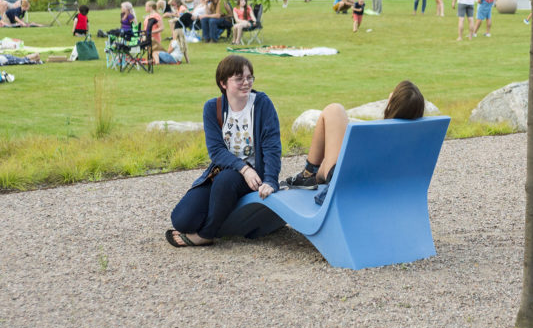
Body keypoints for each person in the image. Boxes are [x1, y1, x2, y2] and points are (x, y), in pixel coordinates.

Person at [165, 55, 280, 247]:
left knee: (226, 181)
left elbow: (272, 146)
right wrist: (243, 168)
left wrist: (270, 180)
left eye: (249, 77)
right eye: (239, 78)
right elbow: (216, 150)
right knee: (182, 220)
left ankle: (206, 235)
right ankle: (222, 215)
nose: (246, 83)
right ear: (223, 83)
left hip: (253, 175)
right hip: (226, 171)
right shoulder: (213, 108)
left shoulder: (261, 104)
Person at [282, 80, 428, 189]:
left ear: (391, 104)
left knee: (334, 110)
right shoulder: (419, 137)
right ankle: (312, 176)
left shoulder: (377, 133)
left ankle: (308, 174)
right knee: (328, 162)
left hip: (349, 185)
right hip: (383, 187)